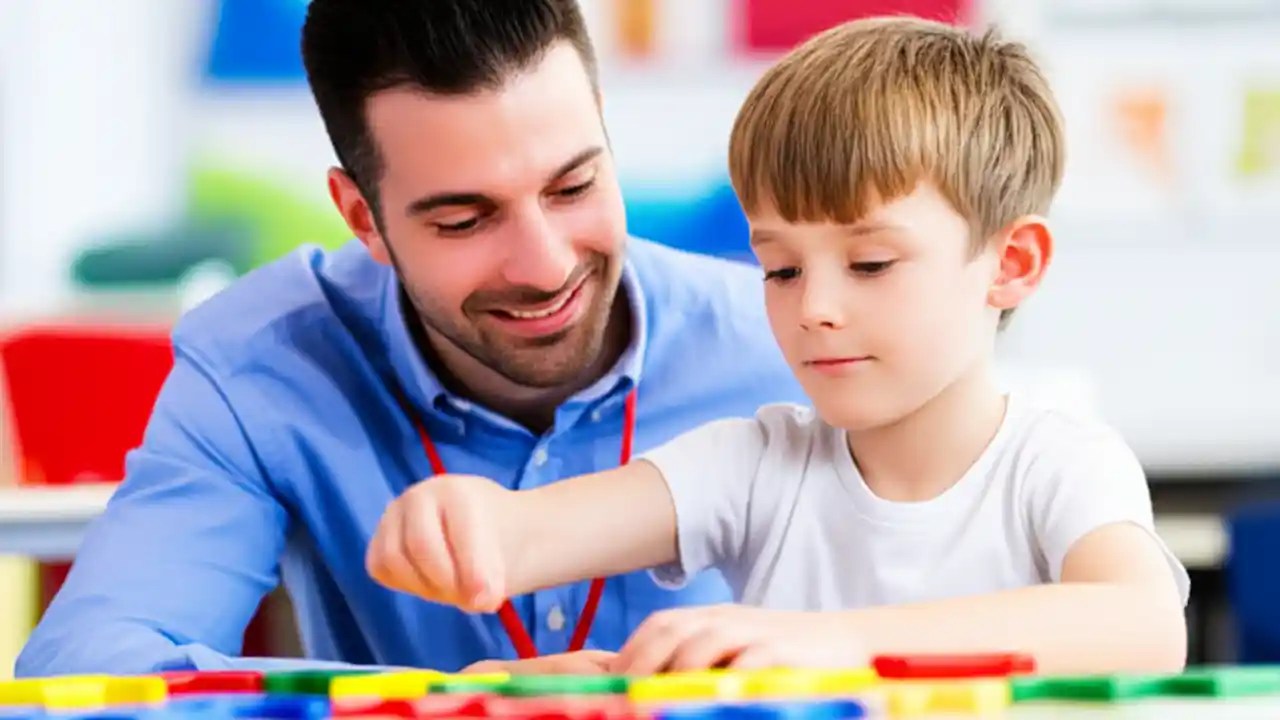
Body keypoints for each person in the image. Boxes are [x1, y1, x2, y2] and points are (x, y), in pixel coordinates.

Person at [365, 16, 1192, 677]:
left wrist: (834, 644)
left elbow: (1144, 625)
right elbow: (523, 535)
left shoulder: (1058, 466)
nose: (815, 309)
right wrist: (462, 524)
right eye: (782, 269)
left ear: (1011, 265)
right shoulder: (757, 467)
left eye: (870, 263)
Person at [15, 0, 806, 677]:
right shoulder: (264, 361)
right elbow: (87, 670)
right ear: (362, 218)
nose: (546, 266)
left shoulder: (786, 339)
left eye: (573, 186)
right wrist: (437, 707)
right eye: (464, 220)